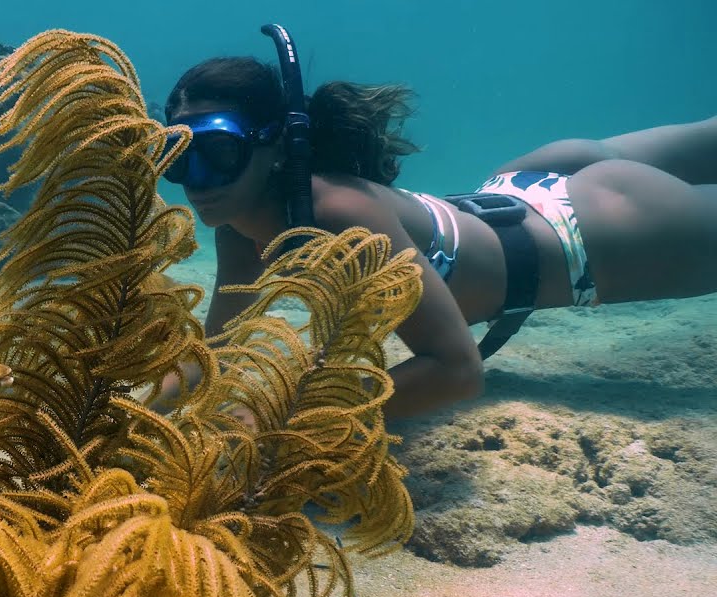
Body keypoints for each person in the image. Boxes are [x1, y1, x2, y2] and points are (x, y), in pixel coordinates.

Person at [160, 33, 717, 420]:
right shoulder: (239, 227)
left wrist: (283, 421)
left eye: (219, 151)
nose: (196, 181)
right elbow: (218, 347)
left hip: (601, 239)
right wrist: (136, 411)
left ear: (277, 144)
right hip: (519, 187)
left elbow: (458, 372)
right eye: (178, 156)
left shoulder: (336, 214)